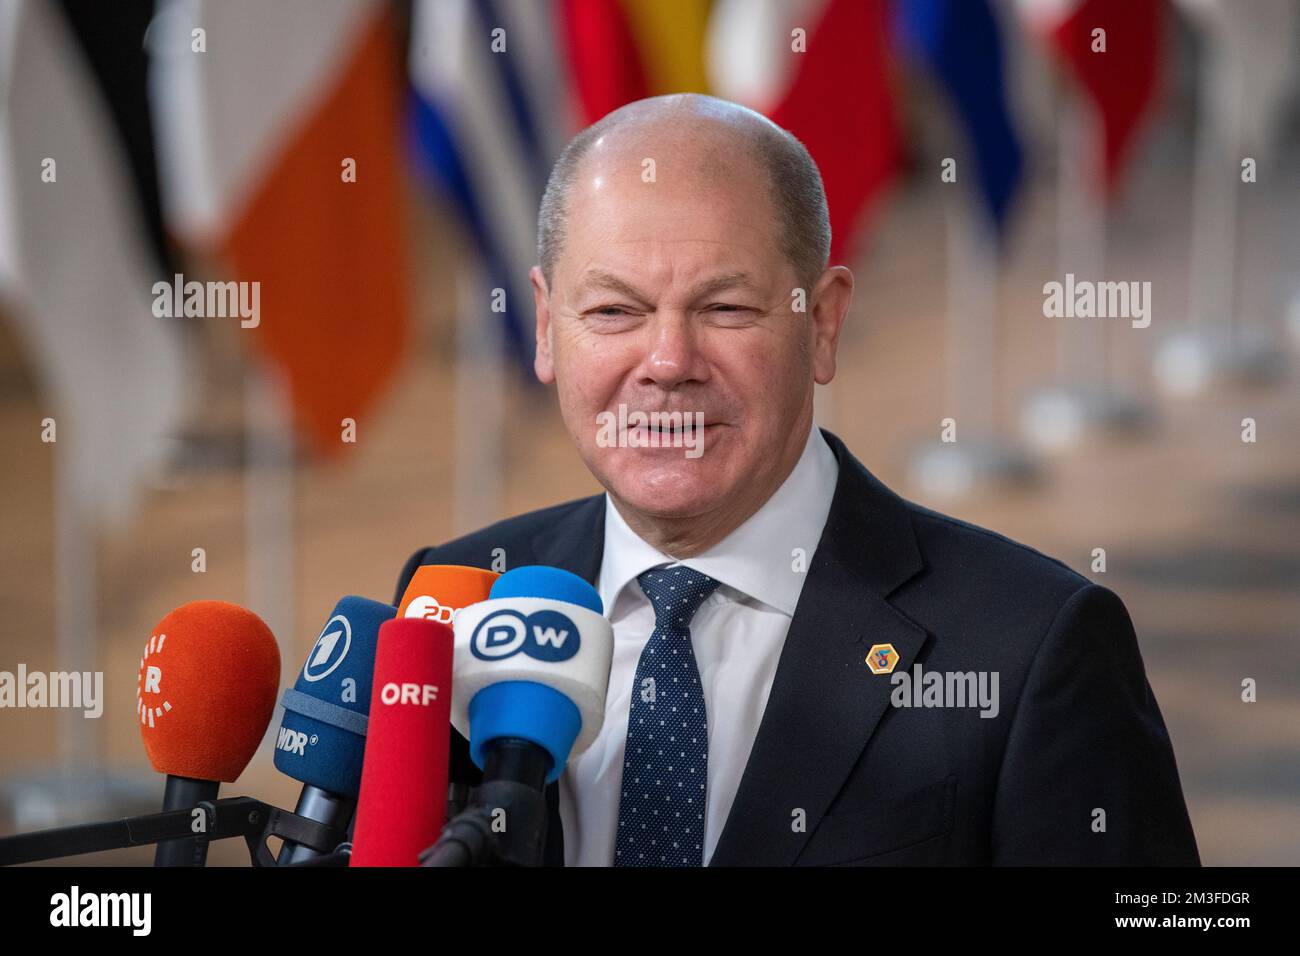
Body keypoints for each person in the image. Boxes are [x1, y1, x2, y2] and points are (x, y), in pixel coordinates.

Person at [395, 94, 1199, 866]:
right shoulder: (451, 600)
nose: (668, 363)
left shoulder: (1031, 647)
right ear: (545, 328)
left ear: (821, 323)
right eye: (613, 312)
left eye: (726, 310)